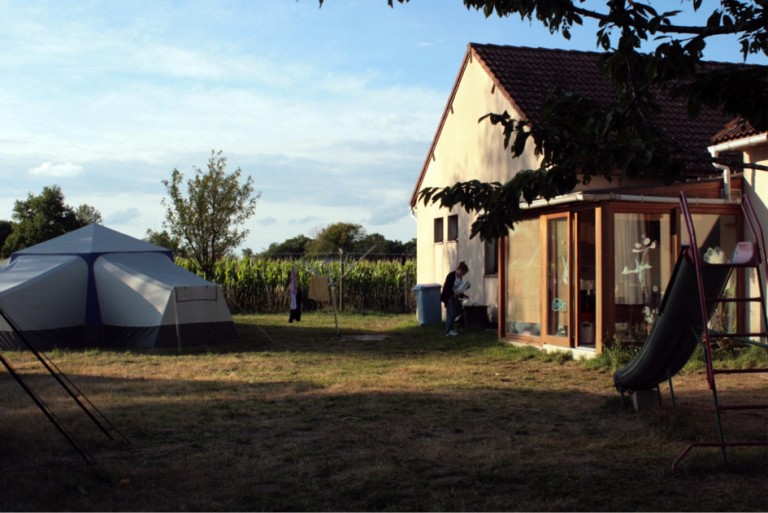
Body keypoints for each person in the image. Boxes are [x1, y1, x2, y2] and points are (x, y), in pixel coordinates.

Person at [440, 261, 469, 336]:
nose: (462, 275)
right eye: (463, 273)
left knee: (454, 313)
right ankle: (448, 330)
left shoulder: (460, 277)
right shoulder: (451, 275)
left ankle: (451, 328)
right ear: (460, 270)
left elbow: (459, 289)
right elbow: (447, 288)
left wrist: (463, 295)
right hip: (448, 296)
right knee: (450, 313)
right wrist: (454, 293)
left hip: (454, 296)